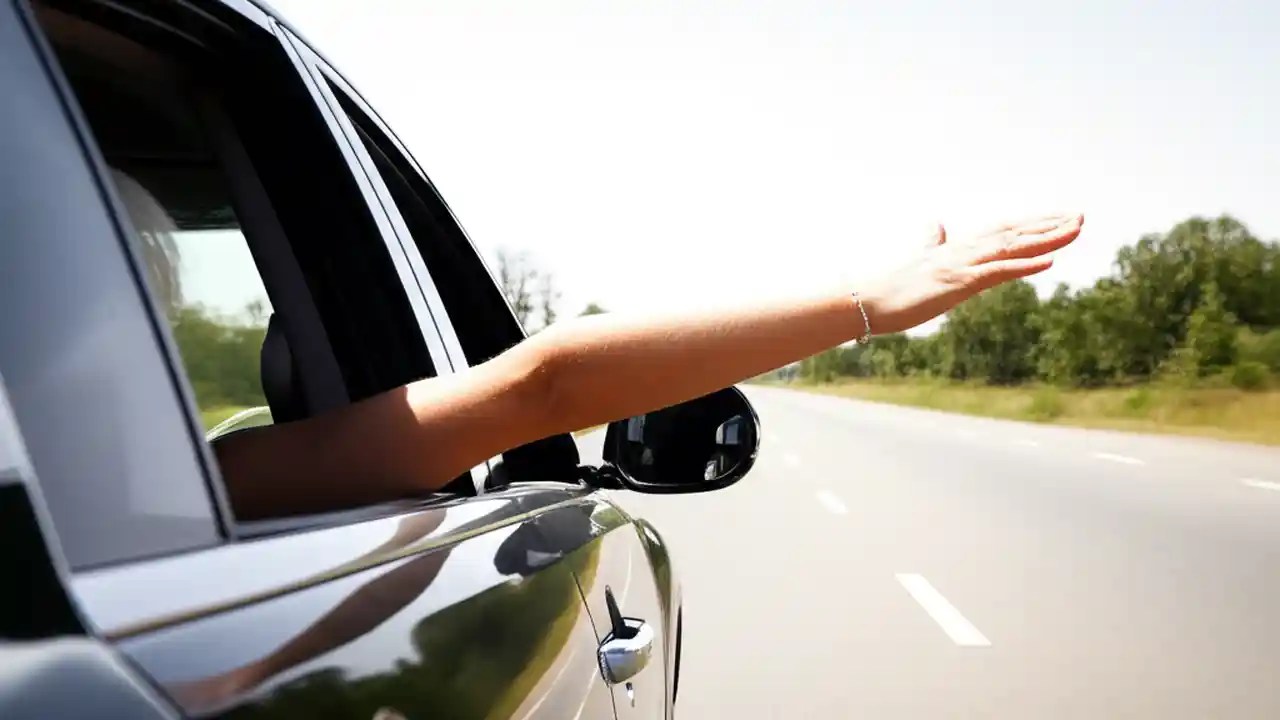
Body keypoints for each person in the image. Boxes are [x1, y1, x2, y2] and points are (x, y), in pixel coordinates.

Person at [215, 214, 1084, 519]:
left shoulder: (157, 493)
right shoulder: (200, 480)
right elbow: (540, 388)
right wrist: (863, 305)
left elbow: (544, 385)